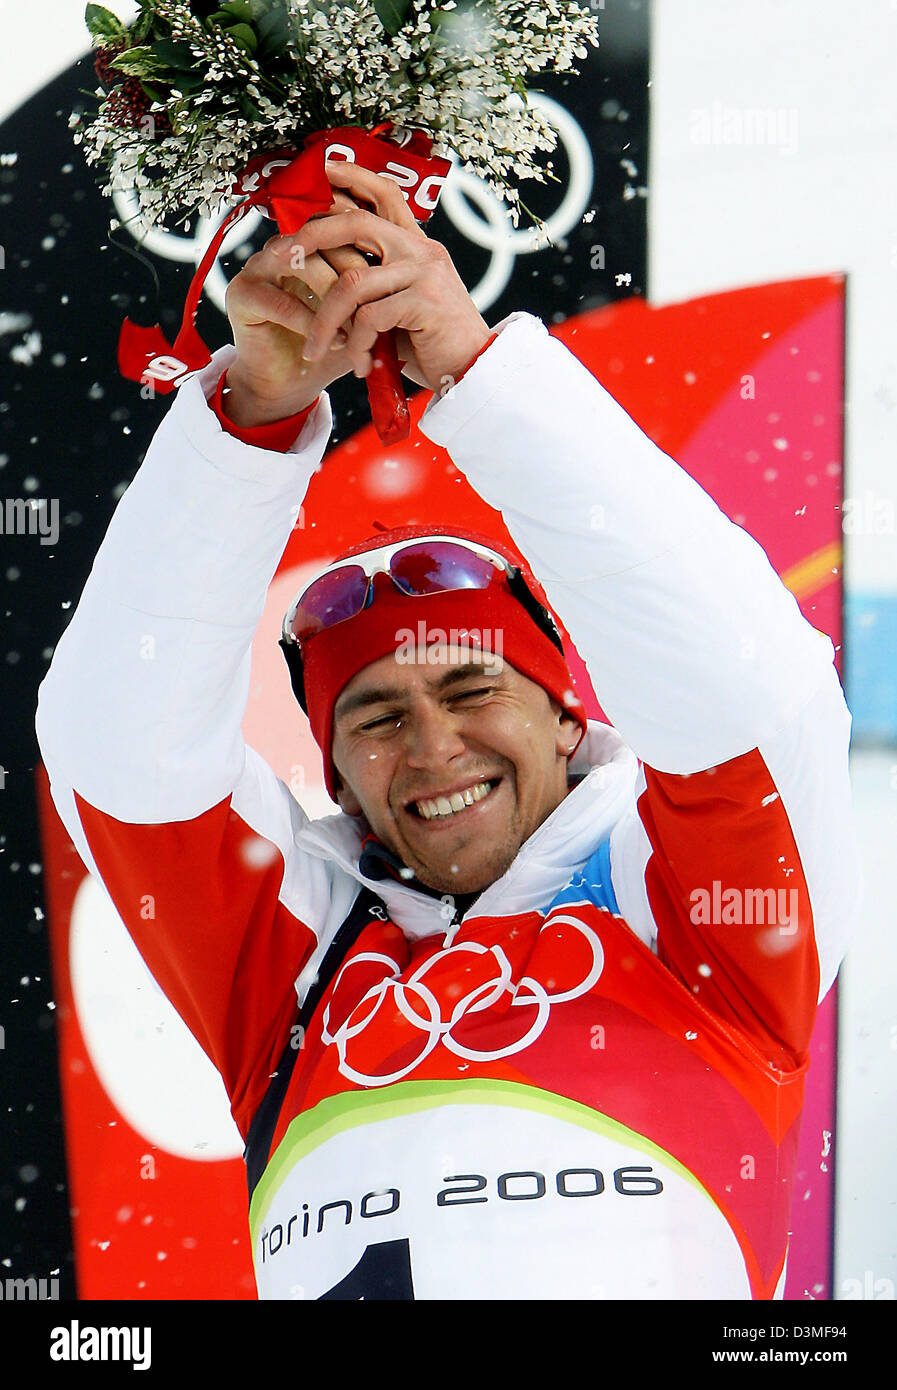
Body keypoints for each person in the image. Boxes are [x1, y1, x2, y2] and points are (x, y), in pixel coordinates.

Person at [36, 161, 860, 1300]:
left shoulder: (689, 909)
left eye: (472, 689)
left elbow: (747, 695)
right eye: (374, 717)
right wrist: (251, 421)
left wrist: (477, 373)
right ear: (333, 777)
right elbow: (121, 758)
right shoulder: (292, 969)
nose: (430, 748)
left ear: (571, 706)